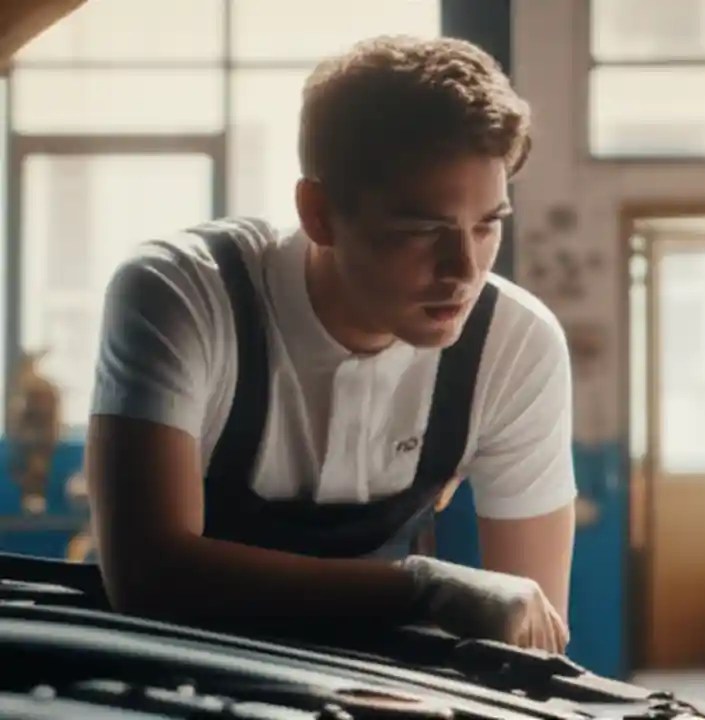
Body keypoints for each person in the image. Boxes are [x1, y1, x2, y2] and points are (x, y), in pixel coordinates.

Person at [84, 35, 576, 653]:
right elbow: (146, 577)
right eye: (423, 229)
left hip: (381, 689)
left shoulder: (515, 343)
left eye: (487, 225)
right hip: (185, 680)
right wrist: (422, 589)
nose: (463, 269)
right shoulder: (182, 294)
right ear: (317, 212)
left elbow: (531, 640)